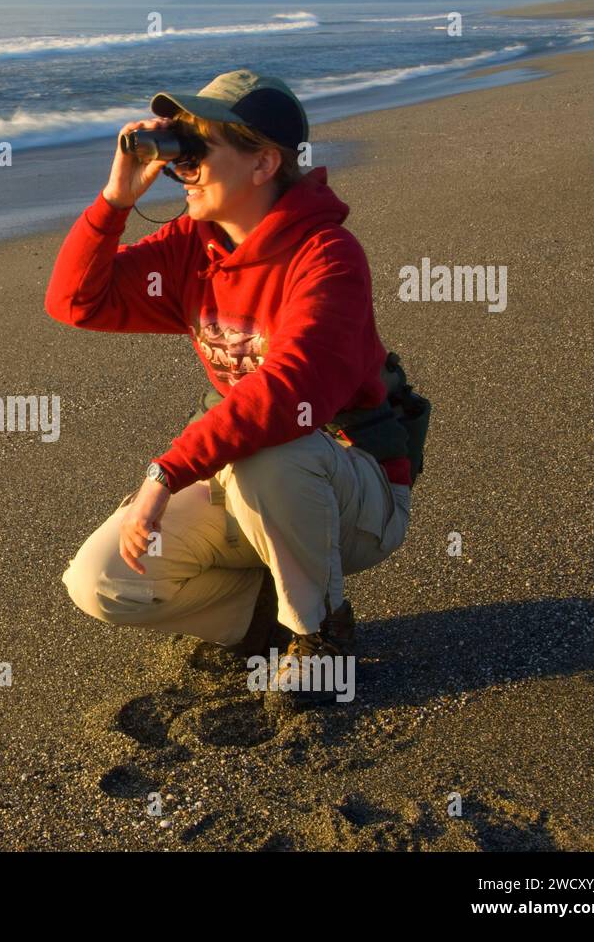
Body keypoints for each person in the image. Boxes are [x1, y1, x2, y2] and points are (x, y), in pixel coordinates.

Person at [44, 70, 414, 709]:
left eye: (199, 149)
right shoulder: (193, 247)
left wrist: (165, 475)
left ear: (264, 162)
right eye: (178, 148)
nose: (183, 167)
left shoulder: (329, 256)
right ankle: (261, 615)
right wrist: (114, 200)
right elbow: (77, 301)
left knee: (274, 448)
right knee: (102, 581)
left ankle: (321, 633)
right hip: (242, 473)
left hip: (352, 489)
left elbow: (293, 391)